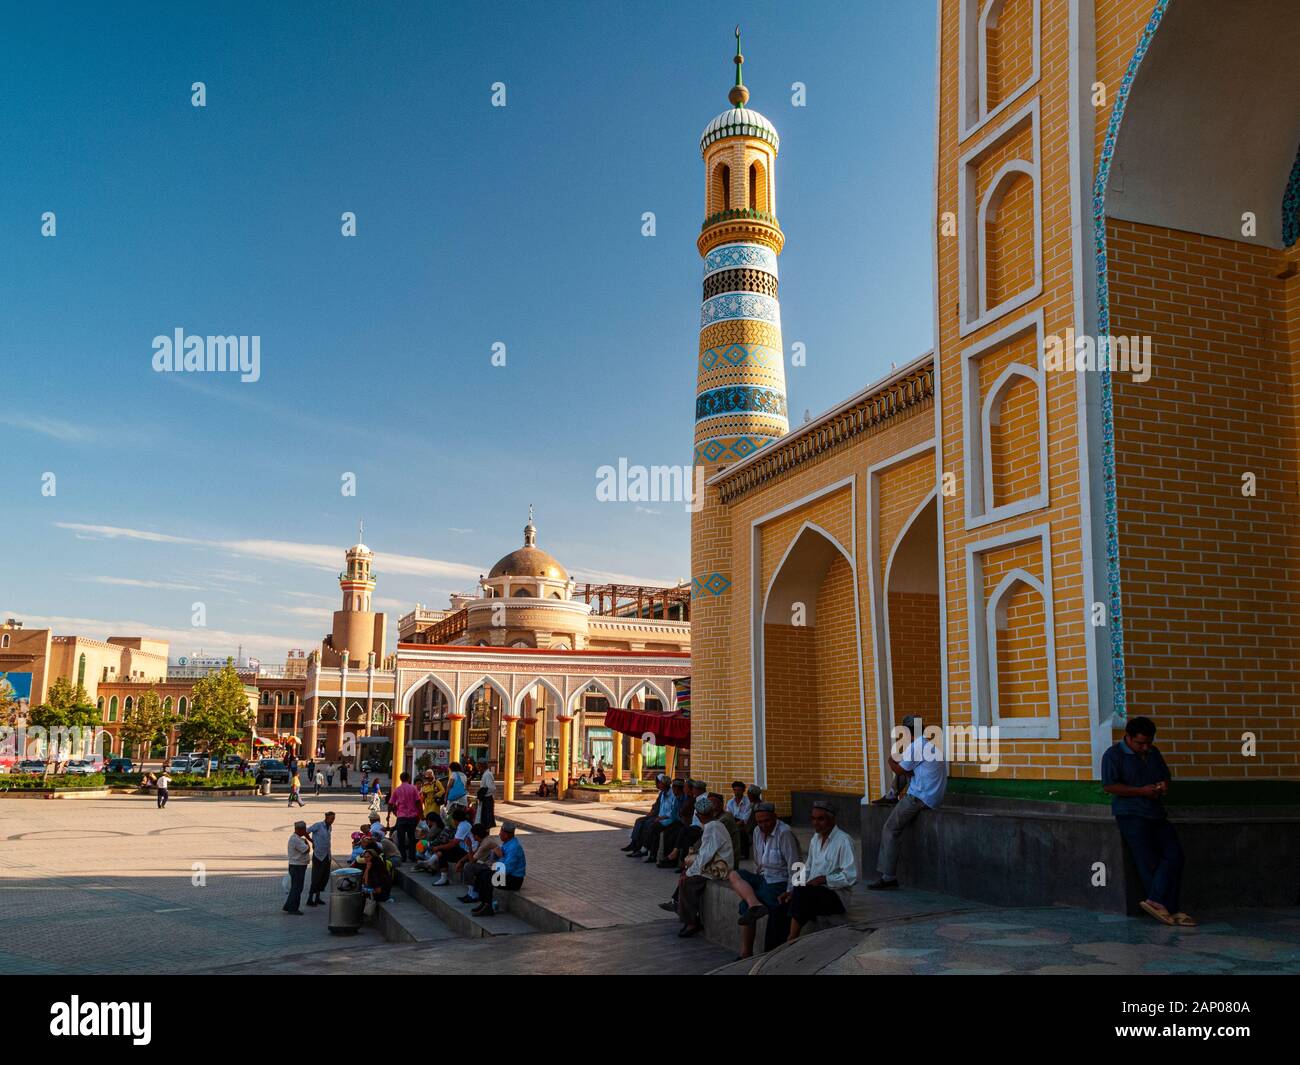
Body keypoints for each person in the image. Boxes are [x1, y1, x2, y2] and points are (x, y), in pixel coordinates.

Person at [1101, 716, 1195, 927]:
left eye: (1148, 743)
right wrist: (1140, 791)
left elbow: (1165, 777)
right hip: (1131, 814)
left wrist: (1162, 786)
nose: (1144, 747)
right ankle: (1169, 908)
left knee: (1175, 856)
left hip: (1156, 812)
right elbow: (1109, 786)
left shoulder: (1154, 754)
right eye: (1139, 743)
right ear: (1128, 737)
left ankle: (1159, 902)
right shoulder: (1113, 755)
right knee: (1148, 861)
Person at [867, 715, 946, 890]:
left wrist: (890, 761)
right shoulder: (928, 745)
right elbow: (907, 770)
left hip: (919, 798)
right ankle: (892, 795)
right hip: (933, 795)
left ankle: (888, 877)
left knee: (890, 829)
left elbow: (900, 768)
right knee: (905, 769)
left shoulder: (916, 746)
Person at [728, 802, 800, 957]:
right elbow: (758, 861)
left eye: (766, 821)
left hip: (779, 882)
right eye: (759, 822)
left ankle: (745, 953)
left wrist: (793, 891)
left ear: (775, 817)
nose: (763, 825)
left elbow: (796, 865)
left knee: (744, 907)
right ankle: (755, 903)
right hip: (762, 878)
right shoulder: (756, 831)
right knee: (734, 874)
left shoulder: (785, 833)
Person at [783, 800, 857, 941]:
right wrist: (793, 889)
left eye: (821, 819)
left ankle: (792, 938)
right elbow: (808, 868)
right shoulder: (815, 839)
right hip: (814, 892)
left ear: (832, 820)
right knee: (787, 900)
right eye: (813, 819)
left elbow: (851, 876)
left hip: (836, 896)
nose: (816, 823)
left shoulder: (844, 840)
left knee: (801, 896)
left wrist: (825, 879)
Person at [676, 795, 734, 937]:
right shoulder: (713, 825)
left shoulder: (713, 827)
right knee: (687, 871)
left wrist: (690, 873)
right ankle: (679, 904)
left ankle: (691, 922)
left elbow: (705, 856)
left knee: (688, 881)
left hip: (720, 867)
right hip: (715, 862)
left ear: (698, 815)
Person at [472, 820, 525, 917]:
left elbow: (507, 868)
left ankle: (488, 906)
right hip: (507, 875)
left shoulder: (514, 847)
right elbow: (500, 859)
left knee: (488, 877)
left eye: (501, 833)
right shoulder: (507, 844)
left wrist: (494, 868)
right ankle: (484, 902)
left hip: (514, 880)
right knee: (483, 873)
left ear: (506, 834)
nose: (499, 835)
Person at [623, 774, 668, 858]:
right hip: (656, 815)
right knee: (639, 821)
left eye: (657, 782)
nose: (656, 784)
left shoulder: (669, 794)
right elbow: (656, 805)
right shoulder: (662, 793)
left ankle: (642, 848)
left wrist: (653, 815)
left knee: (647, 824)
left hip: (661, 817)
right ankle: (634, 844)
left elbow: (664, 810)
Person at [642, 777, 684, 863]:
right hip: (666, 819)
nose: (673, 790)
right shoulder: (664, 794)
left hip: (673, 820)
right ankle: (651, 853)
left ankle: (648, 849)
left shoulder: (676, 797)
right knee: (651, 826)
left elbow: (672, 813)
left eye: (674, 788)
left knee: (654, 827)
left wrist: (662, 818)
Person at [430, 807, 474, 886]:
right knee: (443, 848)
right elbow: (456, 841)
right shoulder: (464, 824)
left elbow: (453, 844)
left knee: (442, 850)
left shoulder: (463, 826)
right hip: (465, 850)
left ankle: (442, 875)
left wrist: (438, 847)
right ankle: (432, 863)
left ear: (456, 819)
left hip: (469, 853)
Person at [388, 771, 423, 863]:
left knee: (401, 838)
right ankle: (412, 856)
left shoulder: (397, 789)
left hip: (401, 817)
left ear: (400, 779)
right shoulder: (414, 789)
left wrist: (392, 814)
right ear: (408, 778)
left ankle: (402, 856)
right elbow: (418, 802)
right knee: (412, 837)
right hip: (412, 817)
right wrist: (421, 814)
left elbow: (390, 803)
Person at [305, 811, 335, 906]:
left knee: (324, 877)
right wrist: (312, 841)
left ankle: (317, 897)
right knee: (316, 877)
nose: (332, 820)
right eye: (331, 818)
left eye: (333, 819)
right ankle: (310, 898)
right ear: (326, 818)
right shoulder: (318, 825)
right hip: (318, 855)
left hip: (327, 855)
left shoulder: (329, 827)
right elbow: (306, 832)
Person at [284, 821, 312, 915]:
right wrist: (307, 842)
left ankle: (288, 906)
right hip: (297, 866)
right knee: (297, 888)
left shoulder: (297, 838)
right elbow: (306, 850)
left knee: (295, 887)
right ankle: (293, 908)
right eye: (304, 830)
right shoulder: (296, 839)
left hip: (297, 866)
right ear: (299, 830)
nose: (305, 831)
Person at [476, 760, 497, 828]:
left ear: (482, 767)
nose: (478, 768)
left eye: (479, 767)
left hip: (487, 798)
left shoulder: (487, 774)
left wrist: (483, 793)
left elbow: (491, 788)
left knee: (487, 818)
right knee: (484, 817)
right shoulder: (485, 774)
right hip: (485, 798)